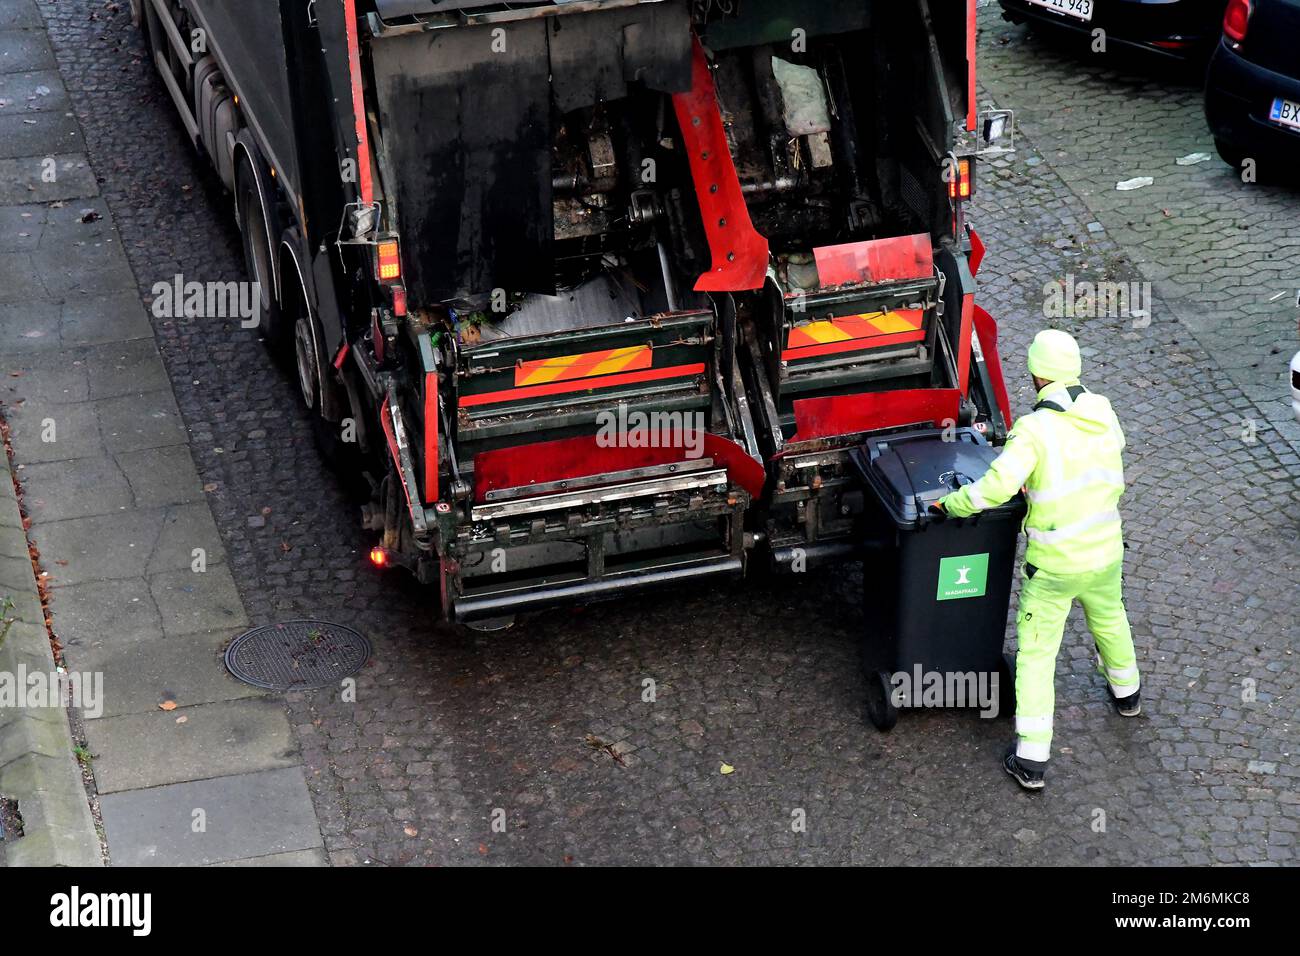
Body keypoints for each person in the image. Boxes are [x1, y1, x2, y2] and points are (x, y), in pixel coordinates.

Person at [935, 329, 1140, 791]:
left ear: (1034, 373)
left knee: (1037, 652)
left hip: (1054, 566)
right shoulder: (1102, 410)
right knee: (1110, 616)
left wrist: (952, 505)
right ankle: (1128, 693)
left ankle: (1030, 758)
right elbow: (1108, 455)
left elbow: (995, 489)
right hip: (1104, 549)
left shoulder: (1034, 430)